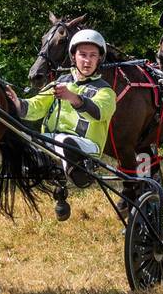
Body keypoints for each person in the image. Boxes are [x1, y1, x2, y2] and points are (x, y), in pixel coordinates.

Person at [7, 29, 117, 186]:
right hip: (52, 142)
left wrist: (73, 98)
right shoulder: (60, 83)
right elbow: (36, 106)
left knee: (63, 140)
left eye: (93, 55)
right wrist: (16, 102)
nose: (87, 61)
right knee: (24, 138)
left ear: (100, 58)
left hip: (86, 148)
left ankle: (81, 174)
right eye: (83, 55)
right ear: (73, 56)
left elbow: (99, 113)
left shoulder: (105, 91)